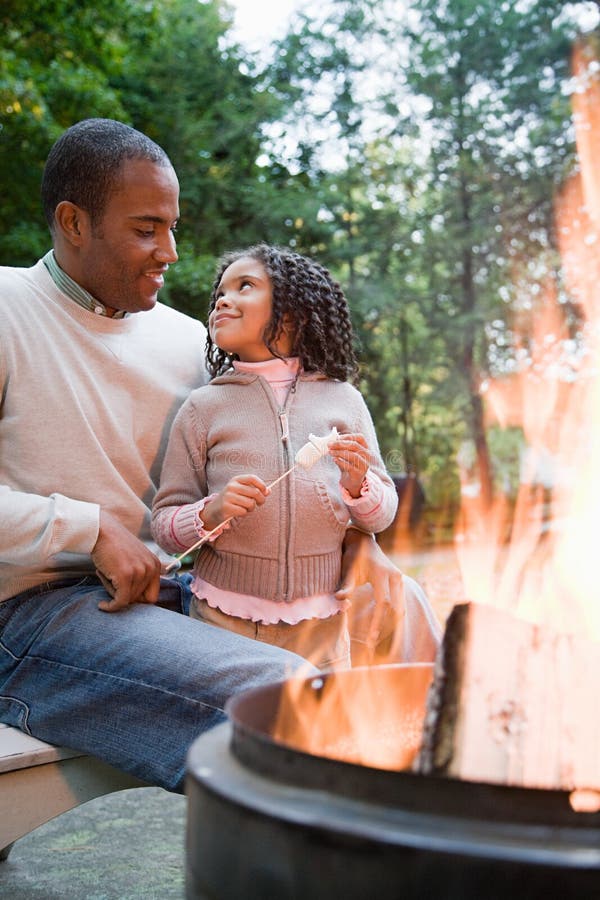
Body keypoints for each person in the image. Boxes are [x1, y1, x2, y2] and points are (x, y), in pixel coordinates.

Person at [0, 118, 427, 793]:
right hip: (30, 611)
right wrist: (89, 530)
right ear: (73, 222)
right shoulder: (6, 310)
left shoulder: (188, 341)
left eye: (174, 227)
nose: (170, 251)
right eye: (146, 229)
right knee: (283, 695)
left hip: (167, 592)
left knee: (418, 626)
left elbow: (246, 461)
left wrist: (349, 537)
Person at [152, 245, 442, 669]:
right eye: (220, 293)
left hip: (323, 621)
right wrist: (210, 512)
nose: (223, 300)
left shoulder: (343, 400)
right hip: (222, 619)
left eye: (245, 286)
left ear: (294, 312)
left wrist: (359, 486)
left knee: (320, 728)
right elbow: (165, 525)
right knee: (249, 730)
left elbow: (380, 516)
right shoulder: (203, 408)